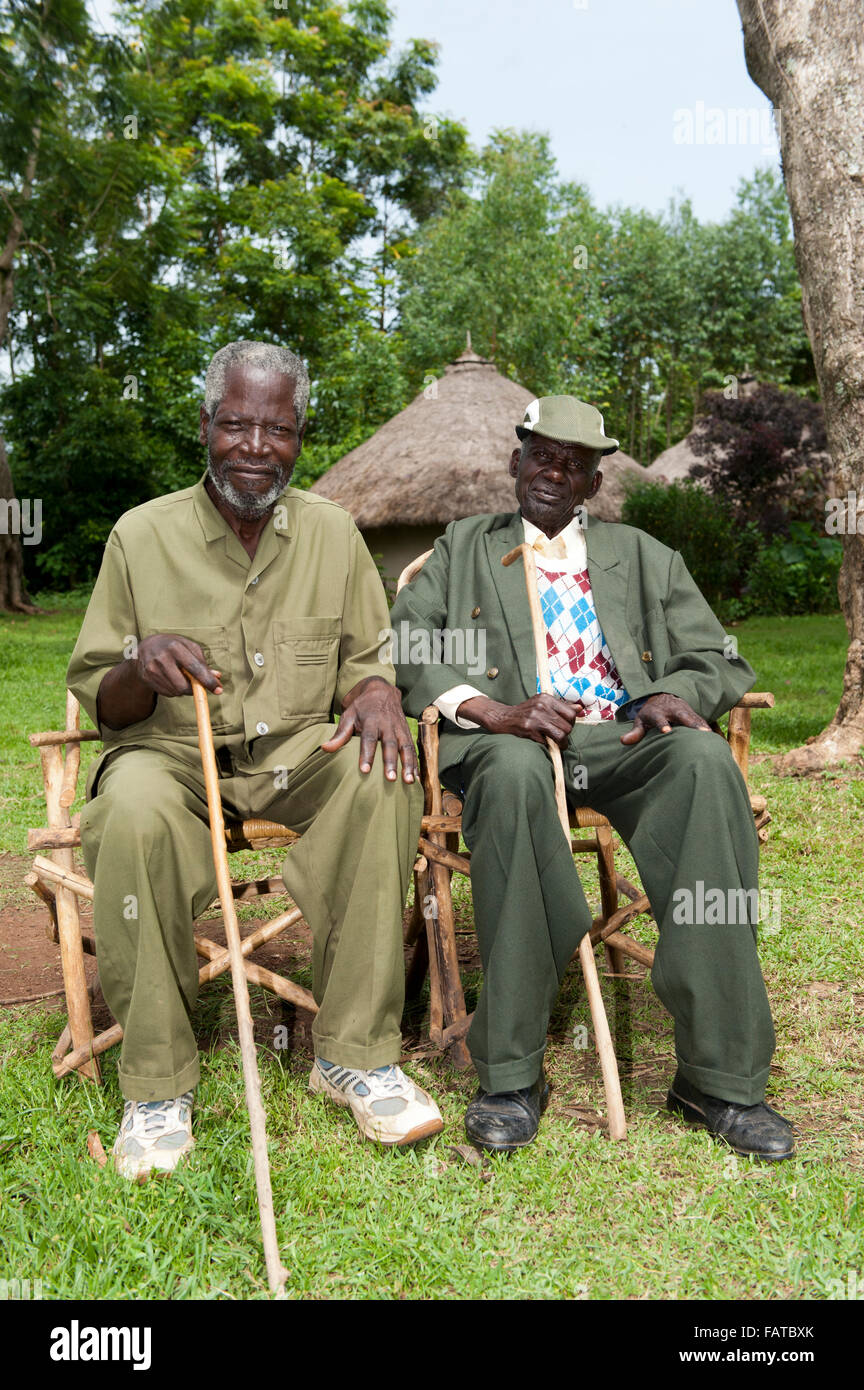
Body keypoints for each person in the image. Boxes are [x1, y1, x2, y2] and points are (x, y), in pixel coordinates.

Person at [68, 340, 443, 1179]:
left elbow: (365, 661)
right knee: (128, 812)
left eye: (275, 429)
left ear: (299, 437)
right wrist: (137, 664)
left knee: (383, 779)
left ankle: (353, 1055)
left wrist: (379, 689)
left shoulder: (335, 533)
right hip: (170, 754)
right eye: (235, 424)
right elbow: (104, 701)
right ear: (206, 427)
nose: (253, 446)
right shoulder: (141, 534)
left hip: (298, 752)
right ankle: (158, 1087)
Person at [389, 394, 794, 1160]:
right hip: (507, 740)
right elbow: (406, 640)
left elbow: (719, 658)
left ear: (592, 484)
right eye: (541, 455)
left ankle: (719, 1078)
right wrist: (492, 710)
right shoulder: (463, 546)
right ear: (516, 462)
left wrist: (679, 694)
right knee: (509, 776)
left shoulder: (644, 556)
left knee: (705, 763)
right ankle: (509, 1075)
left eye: (572, 464)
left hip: (621, 739)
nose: (553, 472)